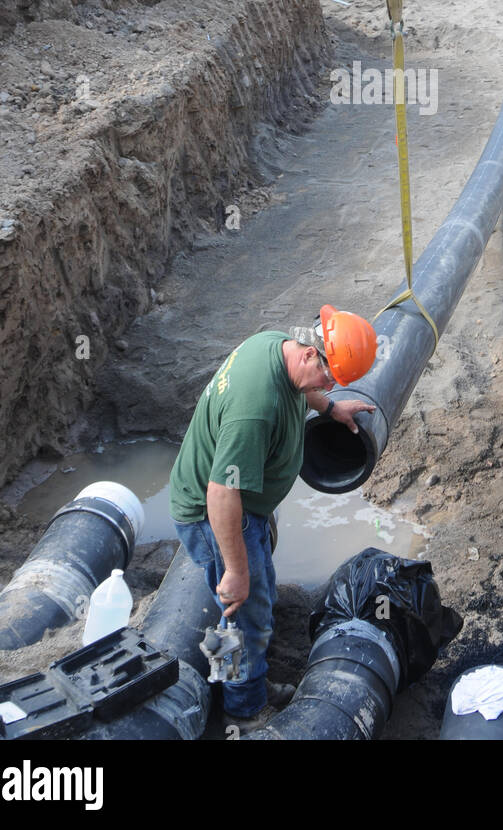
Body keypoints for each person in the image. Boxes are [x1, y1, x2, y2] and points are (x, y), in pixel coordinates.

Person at [169, 305, 378, 733]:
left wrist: (328, 407)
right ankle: (243, 711)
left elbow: (303, 388)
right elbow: (221, 492)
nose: (329, 385)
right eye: (329, 377)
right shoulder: (254, 408)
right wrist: (235, 570)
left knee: (239, 612)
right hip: (217, 514)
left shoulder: (276, 345)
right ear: (309, 355)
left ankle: (231, 683)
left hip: (244, 508)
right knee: (247, 612)